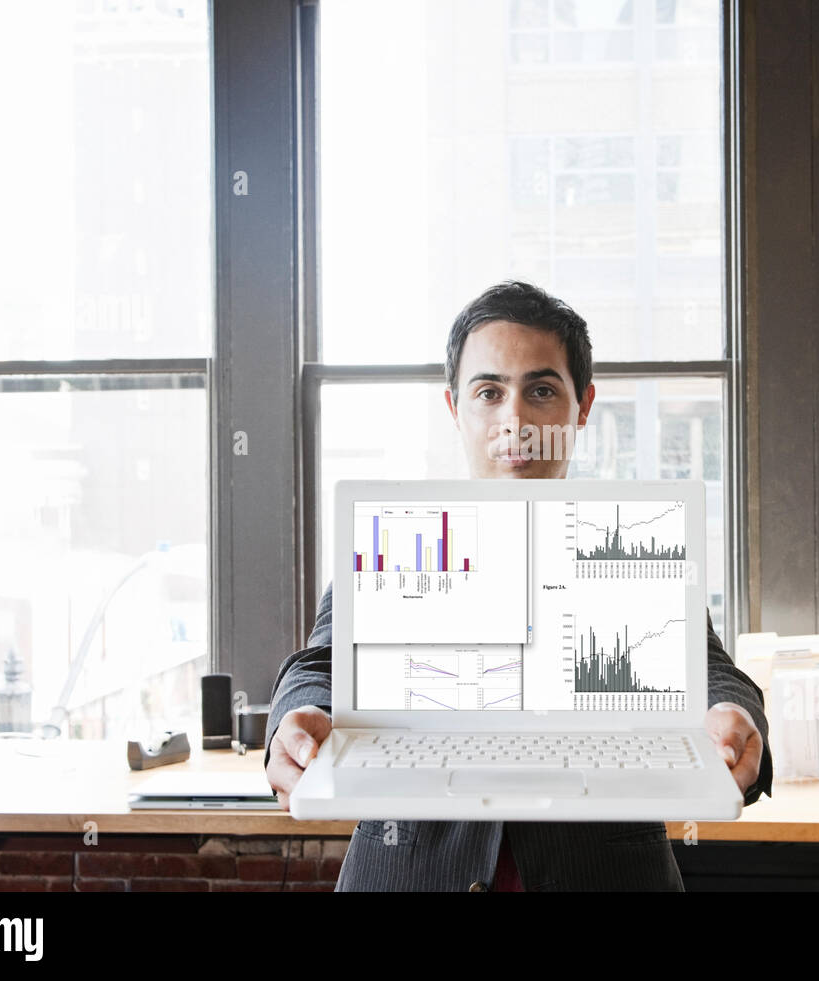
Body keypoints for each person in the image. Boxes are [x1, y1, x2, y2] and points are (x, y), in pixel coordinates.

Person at [265, 281, 772, 891]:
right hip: (412, 871)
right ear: (455, 408)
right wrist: (298, 715)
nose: (515, 420)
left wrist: (730, 711)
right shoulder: (401, 532)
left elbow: (708, 666)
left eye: (540, 390)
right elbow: (319, 662)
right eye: (488, 392)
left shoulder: (629, 533)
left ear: (581, 405)